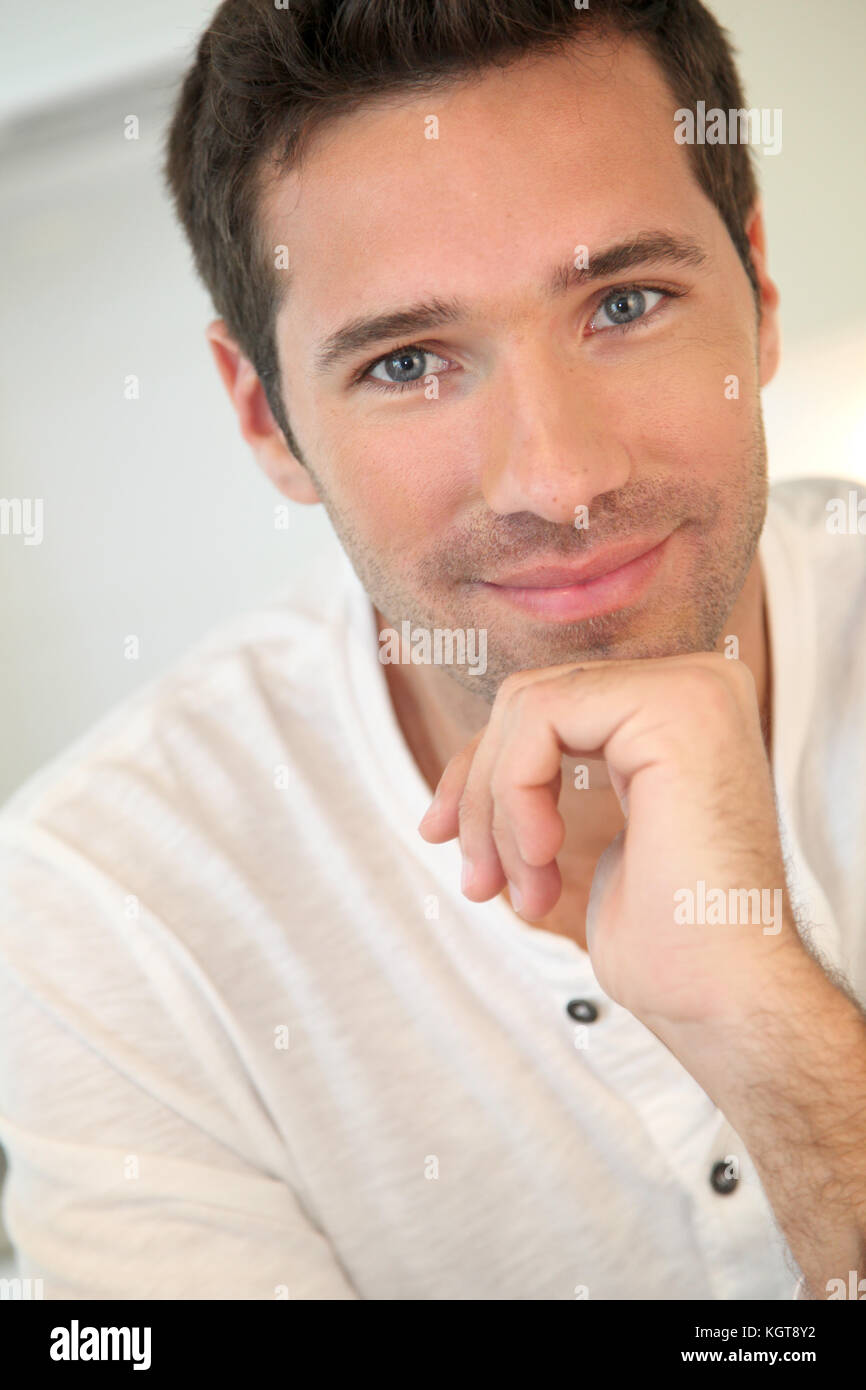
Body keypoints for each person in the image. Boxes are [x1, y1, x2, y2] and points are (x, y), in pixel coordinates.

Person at [1, 0, 864, 1302]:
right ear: (267, 419)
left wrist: (771, 1032)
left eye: (623, 301)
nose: (561, 477)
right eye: (407, 363)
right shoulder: (104, 910)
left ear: (755, 289)